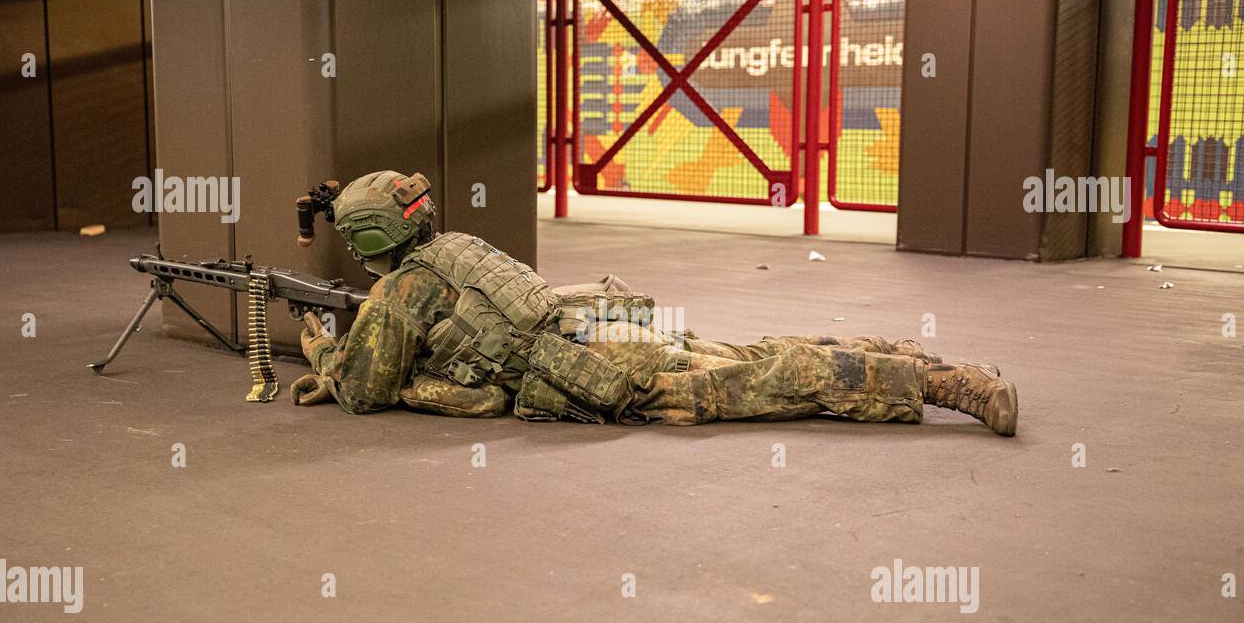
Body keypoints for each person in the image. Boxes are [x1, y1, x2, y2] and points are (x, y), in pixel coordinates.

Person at [289, 170, 1018, 435]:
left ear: (371, 239)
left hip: (593, 362)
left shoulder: (399, 290)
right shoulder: (457, 247)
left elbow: (361, 393)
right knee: (746, 354)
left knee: (762, 384)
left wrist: (318, 345)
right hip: (600, 322)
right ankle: (898, 352)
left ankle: (945, 385)